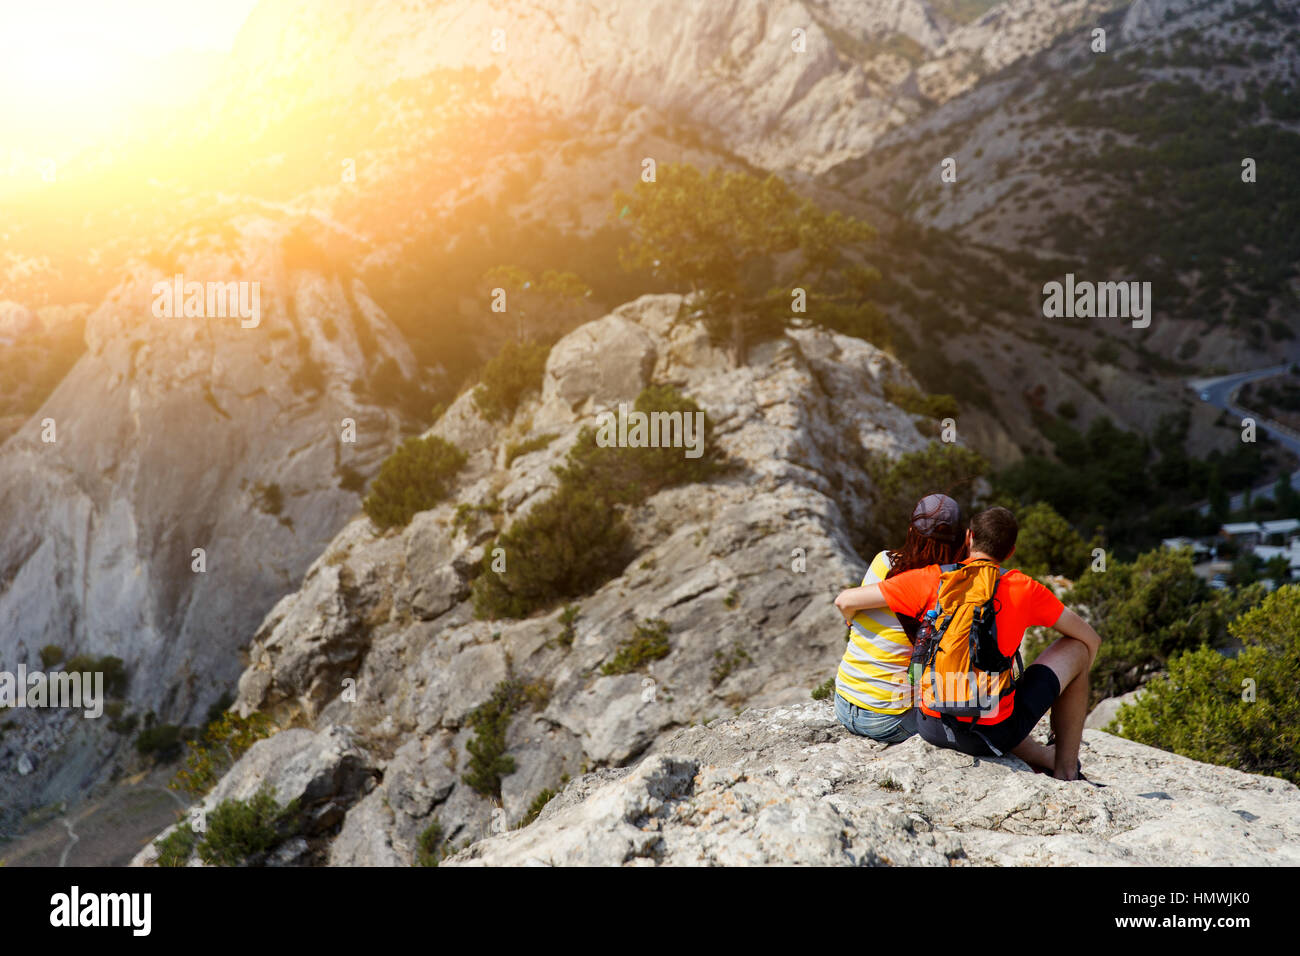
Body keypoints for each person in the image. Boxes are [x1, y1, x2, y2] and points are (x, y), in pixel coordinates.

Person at [833, 506, 1102, 780]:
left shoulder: (933, 579)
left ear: (969, 538)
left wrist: (851, 620)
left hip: (932, 726)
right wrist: (1069, 688)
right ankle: (1066, 769)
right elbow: (1090, 638)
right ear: (1010, 551)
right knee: (1077, 649)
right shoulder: (1025, 588)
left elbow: (845, 599)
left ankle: (1047, 756)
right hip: (990, 736)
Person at [833, 493, 967, 743]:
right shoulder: (944, 587)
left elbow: (845, 602)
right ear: (960, 540)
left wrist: (851, 620)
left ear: (910, 531)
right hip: (889, 719)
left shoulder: (882, 561)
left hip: (843, 702)